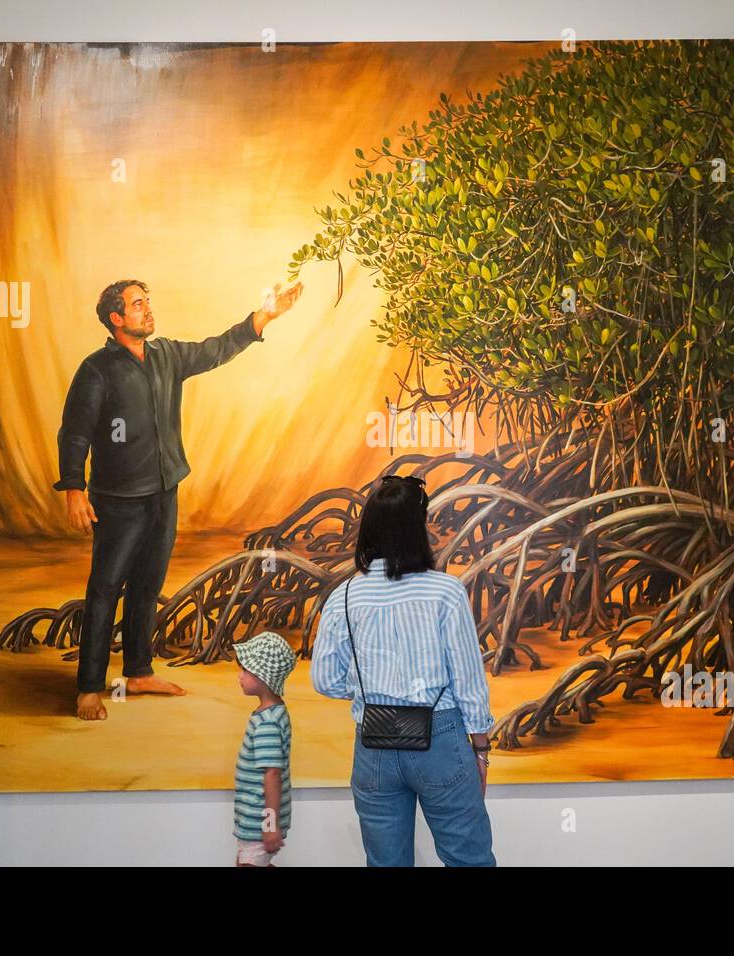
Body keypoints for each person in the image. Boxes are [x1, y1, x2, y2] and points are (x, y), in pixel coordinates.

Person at [53, 278, 303, 720]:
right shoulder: (96, 370)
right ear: (116, 319)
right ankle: (90, 686)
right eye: (137, 304)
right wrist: (74, 489)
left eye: (148, 301)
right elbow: (75, 432)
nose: (148, 310)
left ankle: (138, 671)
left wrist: (263, 317)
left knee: (148, 586)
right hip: (117, 499)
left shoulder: (167, 356)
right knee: (106, 589)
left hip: (164, 492)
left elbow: (217, 348)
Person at [311, 474, 496, 866]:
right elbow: (468, 683)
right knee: (470, 860)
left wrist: (369, 688)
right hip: (441, 740)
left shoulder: (344, 596)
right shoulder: (445, 591)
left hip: (373, 742)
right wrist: (481, 750)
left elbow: (325, 680)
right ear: (418, 528)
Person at [232, 631, 296, 867]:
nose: (240, 676)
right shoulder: (272, 712)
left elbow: (272, 774)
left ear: (263, 676)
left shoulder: (267, 722)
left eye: (245, 670)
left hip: (259, 821)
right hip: (253, 819)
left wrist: (270, 825)